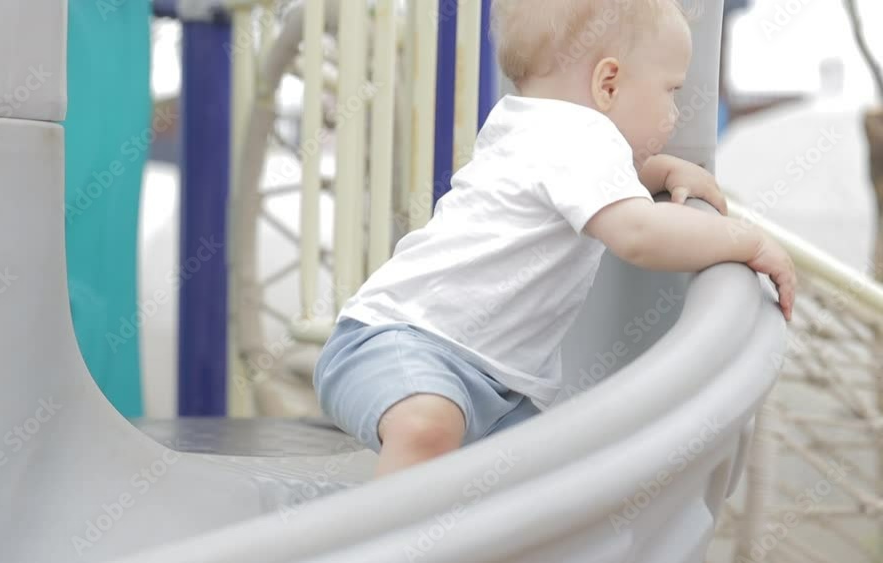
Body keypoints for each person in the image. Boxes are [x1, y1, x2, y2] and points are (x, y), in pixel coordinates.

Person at [314, 0, 796, 477]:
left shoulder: (533, 123)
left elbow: (583, 181)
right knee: (428, 427)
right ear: (608, 83)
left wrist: (658, 169)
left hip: (490, 385)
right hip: (403, 344)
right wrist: (747, 242)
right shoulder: (579, 137)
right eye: (671, 90)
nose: (675, 111)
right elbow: (638, 235)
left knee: (545, 478)